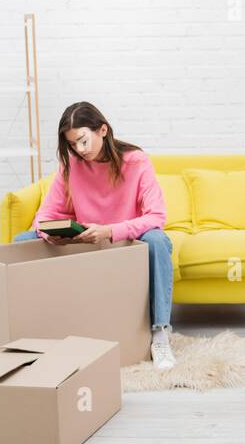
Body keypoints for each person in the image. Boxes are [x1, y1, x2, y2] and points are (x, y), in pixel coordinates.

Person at [13, 101, 177, 369]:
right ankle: (31, 331)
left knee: (158, 240)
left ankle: (160, 335)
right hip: (85, 243)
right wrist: (49, 233)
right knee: (23, 241)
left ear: (102, 130)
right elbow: (44, 216)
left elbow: (156, 216)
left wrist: (111, 230)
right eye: (72, 144)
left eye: (83, 140)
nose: (79, 149)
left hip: (125, 242)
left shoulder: (136, 161)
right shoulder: (72, 166)